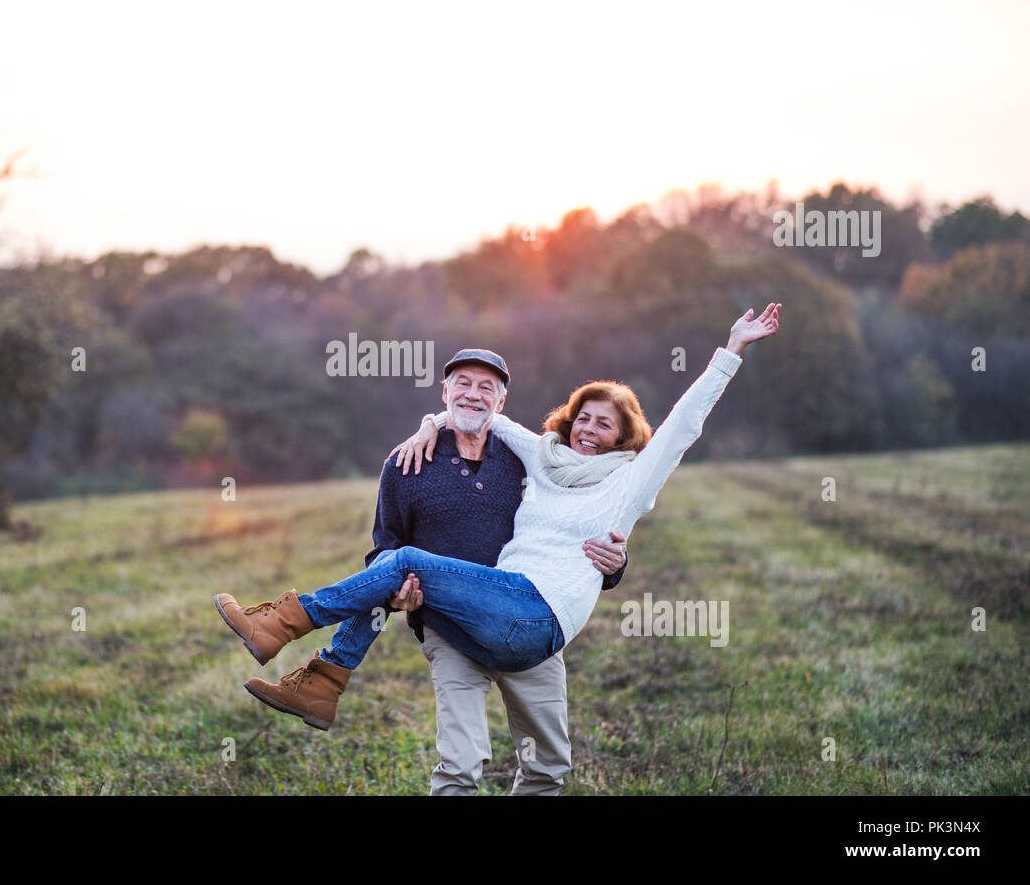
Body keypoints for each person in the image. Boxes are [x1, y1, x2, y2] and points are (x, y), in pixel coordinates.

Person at [215, 303, 781, 734]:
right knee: (397, 568)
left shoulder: (630, 481)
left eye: (604, 425)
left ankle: (285, 623)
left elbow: (684, 423)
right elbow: (476, 412)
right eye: (583, 418)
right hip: (493, 612)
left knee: (406, 560)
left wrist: (730, 350)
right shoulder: (541, 456)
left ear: (624, 437)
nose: (588, 430)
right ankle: (322, 683)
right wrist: (428, 424)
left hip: (536, 616)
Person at [365, 348, 629, 794]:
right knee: (460, 766)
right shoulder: (406, 465)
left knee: (548, 765)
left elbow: (578, 525)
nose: (473, 394)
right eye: (462, 384)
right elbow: (382, 553)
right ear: (445, 392)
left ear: (501, 403)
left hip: (525, 615)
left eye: (486, 387)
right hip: (447, 627)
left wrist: (615, 564)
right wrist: (395, 597)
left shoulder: (528, 459)